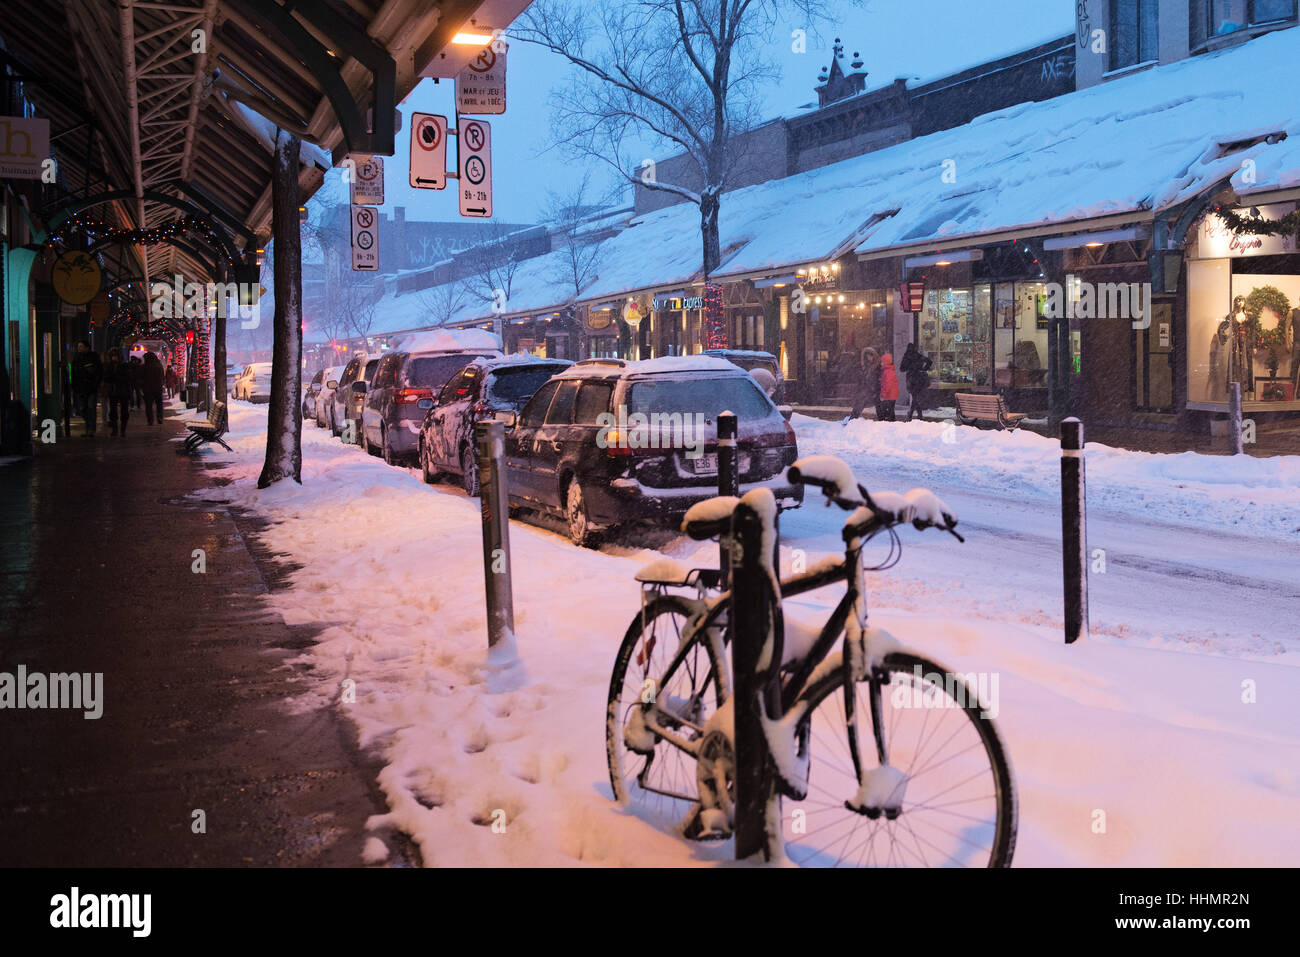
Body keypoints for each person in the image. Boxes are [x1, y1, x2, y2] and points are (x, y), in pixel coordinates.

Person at [69, 340, 102, 437]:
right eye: (78, 346)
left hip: (91, 388)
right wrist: (74, 385)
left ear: (87, 347)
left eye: (81, 346)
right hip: (80, 388)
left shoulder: (94, 357)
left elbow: (98, 372)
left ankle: (91, 429)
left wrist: (95, 384)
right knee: (82, 409)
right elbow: (74, 372)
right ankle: (88, 426)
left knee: (91, 407)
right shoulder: (77, 357)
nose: (79, 348)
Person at [898, 342, 934, 422]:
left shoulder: (906, 357)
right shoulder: (918, 356)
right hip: (919, 379)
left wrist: (909, 367)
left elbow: (902, 369)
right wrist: (924, 369)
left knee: (915, 397)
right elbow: (929, 361)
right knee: (916, 397)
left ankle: (911, 414)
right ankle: (919, 415)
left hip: (911, 379)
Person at [849, 347, 881, 422]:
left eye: (871, 355)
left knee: (880, 408)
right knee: (858, 404)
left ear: (874, 356)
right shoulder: (865, 366)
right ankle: (852, 420)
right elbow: (862, 378)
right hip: (866, 388)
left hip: (874, 389)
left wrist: (875, 387)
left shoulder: (877, 366)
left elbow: (878, 378)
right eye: (867, 356)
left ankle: (884, 423)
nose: (869, 357)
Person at [105, 350, 132, 436]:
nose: (114, 358)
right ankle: (115, 429)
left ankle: (123, 430)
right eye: (113, 356)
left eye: (115, 356)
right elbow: (106, 377)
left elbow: (128, 378)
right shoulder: (109, 366)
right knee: (113, 411)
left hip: (123, 390)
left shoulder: (124, 366)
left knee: (124, 411)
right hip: (113, 391)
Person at [142, 351, 165, 424]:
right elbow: (162, 377)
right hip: (158, 388)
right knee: (159, 404)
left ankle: (150, 420)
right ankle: (159, 417)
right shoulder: (159, 366)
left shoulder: (145, 366)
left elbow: (140, 377)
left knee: (149, 405)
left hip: (148, 389)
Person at [878, 352, 899, 422]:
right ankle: (891, 424)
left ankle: (890, 424)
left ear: (885, 362)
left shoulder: (887, 372)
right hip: (892, 395)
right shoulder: (890, 371)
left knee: (887, 412)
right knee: (890, 411)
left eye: (882, 362)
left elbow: (887, 385)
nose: (881, 363)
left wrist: (883, 395)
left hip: (889, 396)